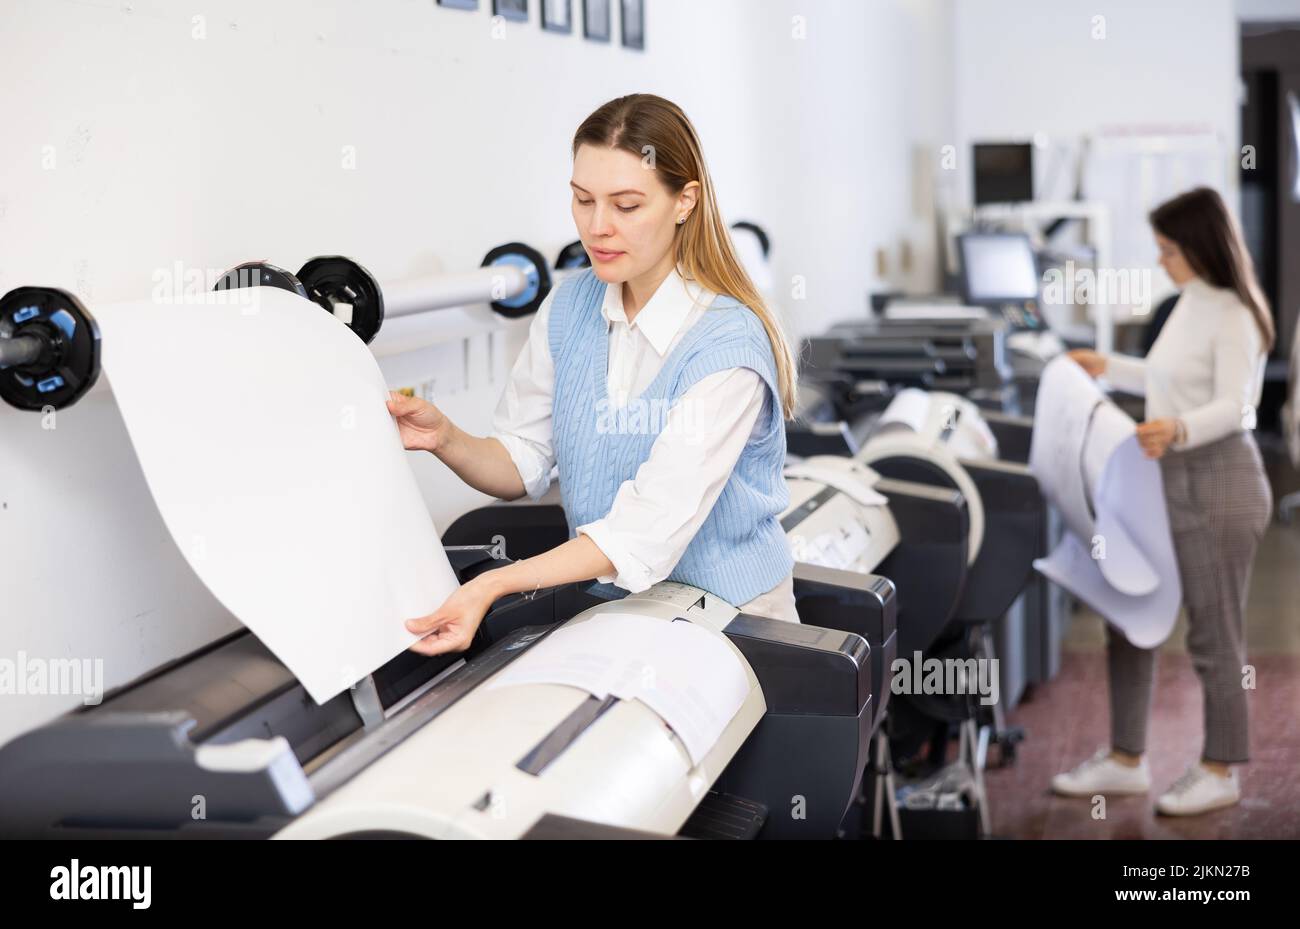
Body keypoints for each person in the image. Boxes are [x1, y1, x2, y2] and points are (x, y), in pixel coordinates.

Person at [385, 93, 799, 658]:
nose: (597, 227)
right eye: (583, 200)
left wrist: (495, 582)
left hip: (739, 625)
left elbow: (645, 530)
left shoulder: (727, 346)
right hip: (621, 611)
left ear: (685, 201)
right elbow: (523, 457)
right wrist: (445, 439)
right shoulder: (568, 307)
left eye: (626, 206)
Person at [1055, 187, 1274, 816]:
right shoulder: (1190, 303)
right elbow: (1166, 377)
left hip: (1218, 482)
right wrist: (1108, 365)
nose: (1161, 261)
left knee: (1214, 631)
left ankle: (1221, 768)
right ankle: (1127, 760)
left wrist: (1178, 428)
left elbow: (1237, 405)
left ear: (1202, 247)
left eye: (1169, 250)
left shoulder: (1234, 312)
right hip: (1167, 479)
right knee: (1129, 615)